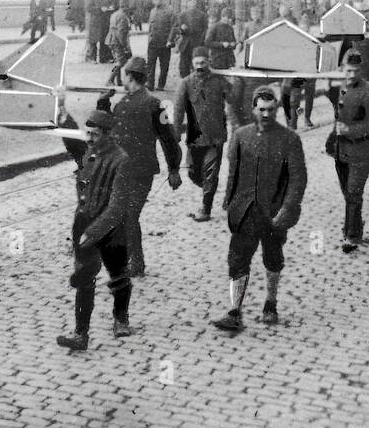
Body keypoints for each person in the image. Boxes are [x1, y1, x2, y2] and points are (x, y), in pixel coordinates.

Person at [211, 85, 307, 332]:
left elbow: (298, 178)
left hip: (274, 212)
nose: (266, 115)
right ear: (253, 108)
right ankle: (235, 311)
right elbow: (232, 171)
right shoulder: (241, 136)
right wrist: (229, 201)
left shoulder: (289, 139)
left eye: (271, 110)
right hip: (245, 210)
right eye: (261, 109)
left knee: (272, 258)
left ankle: (271, 303)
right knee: (237, 258)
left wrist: (287, 207)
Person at [56, 109, 137, 349]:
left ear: (109, 135)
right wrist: (62, 113)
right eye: (87, 133)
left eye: (95, 134)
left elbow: (118, 206)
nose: (89, 138)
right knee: (84, 277)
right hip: (84, 220)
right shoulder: (85, 152)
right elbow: (71, 141)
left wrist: (92, 234)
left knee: (118, 274)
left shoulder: (122, 161)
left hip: (111, 226)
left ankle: (121, 318)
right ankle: (81, 334)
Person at [110, 56, 182, 277]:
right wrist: (173, 168)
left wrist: (173, 169)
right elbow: (169, 139)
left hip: (133, 171)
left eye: (123, 75)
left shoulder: (128, 105)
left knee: (129, 215)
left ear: (130, 76)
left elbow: (167, 139)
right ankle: (134, 261)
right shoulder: (152, 104)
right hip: (136, 171)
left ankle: (136, 263)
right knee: (125, 216)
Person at [172, 46, 236, 223]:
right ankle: (208, 188)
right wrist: (176, 133)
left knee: (211, 174)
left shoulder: (219, 81)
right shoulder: (185, 83)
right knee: (193, 173)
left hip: (215, 136)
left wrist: (235, 82)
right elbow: (177, 110)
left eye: (203, 62)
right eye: (197, 62)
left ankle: (206, 208)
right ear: (192, 63)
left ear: (209, 62)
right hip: (195, 138)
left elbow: (233, 99)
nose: (200, 66)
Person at [327, 51, 369, 252]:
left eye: (356, 71)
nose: (351, 75)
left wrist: (350, 131)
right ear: (343, 69)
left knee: (353, 192)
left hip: (363, 150)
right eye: (348, 70)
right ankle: (355, 226)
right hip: (342, 150)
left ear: (362, 71)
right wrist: (333, 138)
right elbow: (339, 118)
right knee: (348, 193)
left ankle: (352, 236)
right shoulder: (343, 87)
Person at [173, 0, 208, 80]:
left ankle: (196, 83)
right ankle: (185, 83)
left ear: (196, 3)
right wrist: (181, 28)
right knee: (183, 67)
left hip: (197, 44)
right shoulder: (182, 15)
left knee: (197, 65)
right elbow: (176, 29)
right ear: (187, 4)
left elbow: (205, 30)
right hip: (185, 45)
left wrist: (201, 42)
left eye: (193, 2)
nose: (192, 5)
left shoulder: (202, 15)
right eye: (190, 2)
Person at [145, 0, 175, 90]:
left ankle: (161, 84)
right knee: (150, 64)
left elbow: (173, 27)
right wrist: (149, 39)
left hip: (164, 43)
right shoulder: (152, 11)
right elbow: (150, 27)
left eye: (156, 0)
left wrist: (170, 40)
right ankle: (150, 84)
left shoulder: (169, 11)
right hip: (153, 42)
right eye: (153, 0)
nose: (154, 2)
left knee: (164, 65)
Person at [105, 3, 132, 85]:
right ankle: (110, 80)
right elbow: (121, 33)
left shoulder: (115, 14)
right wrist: (125, 46)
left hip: (111, 39)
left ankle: (118, 81)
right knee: (121, 61)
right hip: (117, 41)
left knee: (118, 60)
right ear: (125, 7)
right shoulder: (123, 16)